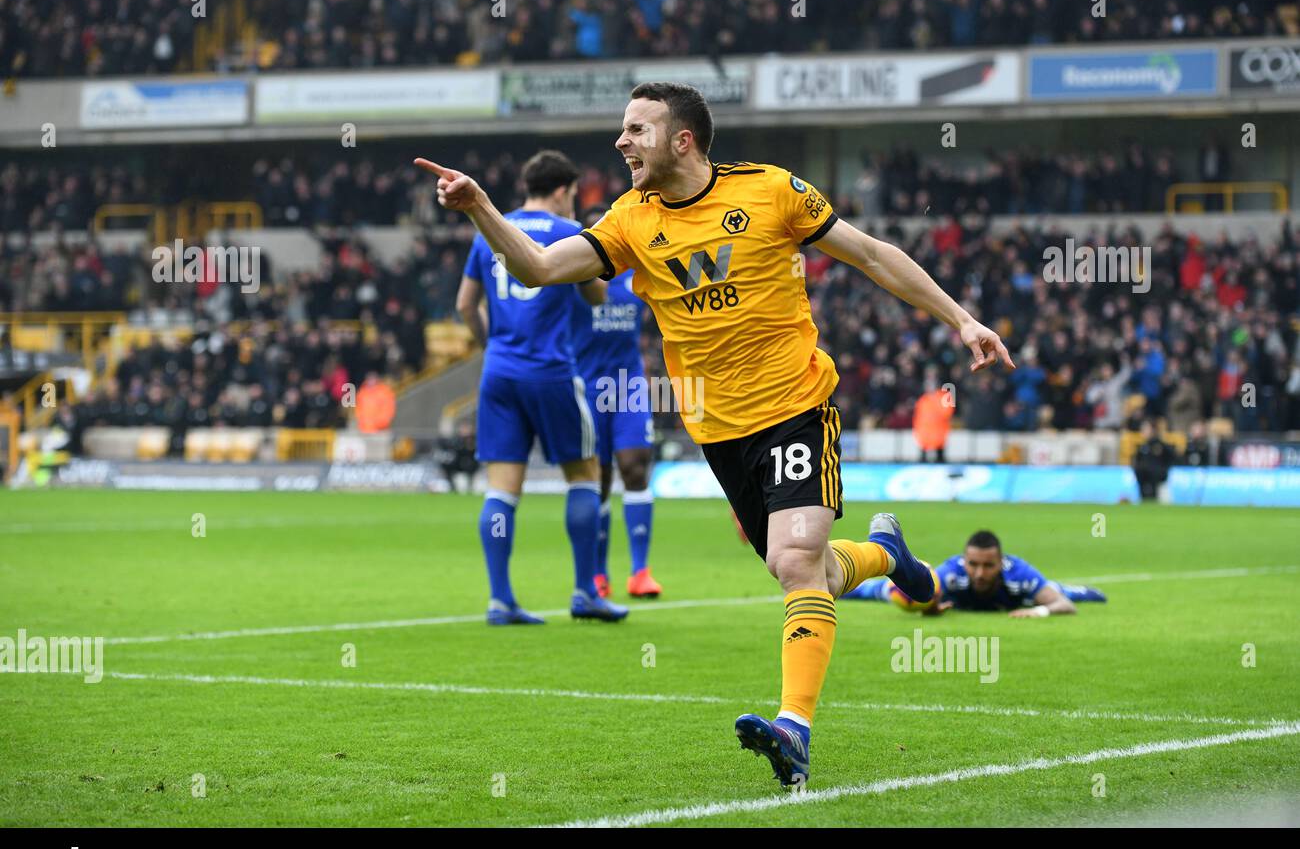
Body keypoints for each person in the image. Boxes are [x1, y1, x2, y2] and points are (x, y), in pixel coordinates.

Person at [417, 81, 1013, 786]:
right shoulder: (630, 219)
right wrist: (481, 206)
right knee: (808, 569)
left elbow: (874, 254)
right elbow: (541, 268)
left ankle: (793, 732)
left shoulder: (770, 191)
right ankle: (886, 554)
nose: (621, 141)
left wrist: (961, 319)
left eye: (636, 129)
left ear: (683, 140)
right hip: (720, 432)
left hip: (795, 404)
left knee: (795, 564)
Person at [455, 150, 627, 627]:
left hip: (499, 373)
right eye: (572, 194)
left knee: (502, 490)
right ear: (561, 191)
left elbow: (465, 305)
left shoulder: (490, 228)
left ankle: (499, 598)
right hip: (552, 370)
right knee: (585, 474)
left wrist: (493, 345)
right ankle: (583, 591)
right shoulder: (570, 232)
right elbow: (596, 295)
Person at [571, 204, 662, 600]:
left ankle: (640, 572)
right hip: (586, 389)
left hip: (628, 387)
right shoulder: (574, 279)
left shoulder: (635, 274)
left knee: (635, 468)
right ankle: (598, 574)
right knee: (601, 479)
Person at [845, 529, 1105, 617]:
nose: (979, 573)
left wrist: (1038, 611)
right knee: (881, 590)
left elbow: (1065, 606)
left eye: (988, 566)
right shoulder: (950, 573)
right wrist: (929, 608)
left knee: (1061, 592)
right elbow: (925, 596)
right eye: (973, 564)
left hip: (1022, 596)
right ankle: (830, 586)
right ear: (965, 560)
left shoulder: (1019, 574)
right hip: (970, 599)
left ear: (1000, 562)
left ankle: (1085, 590)